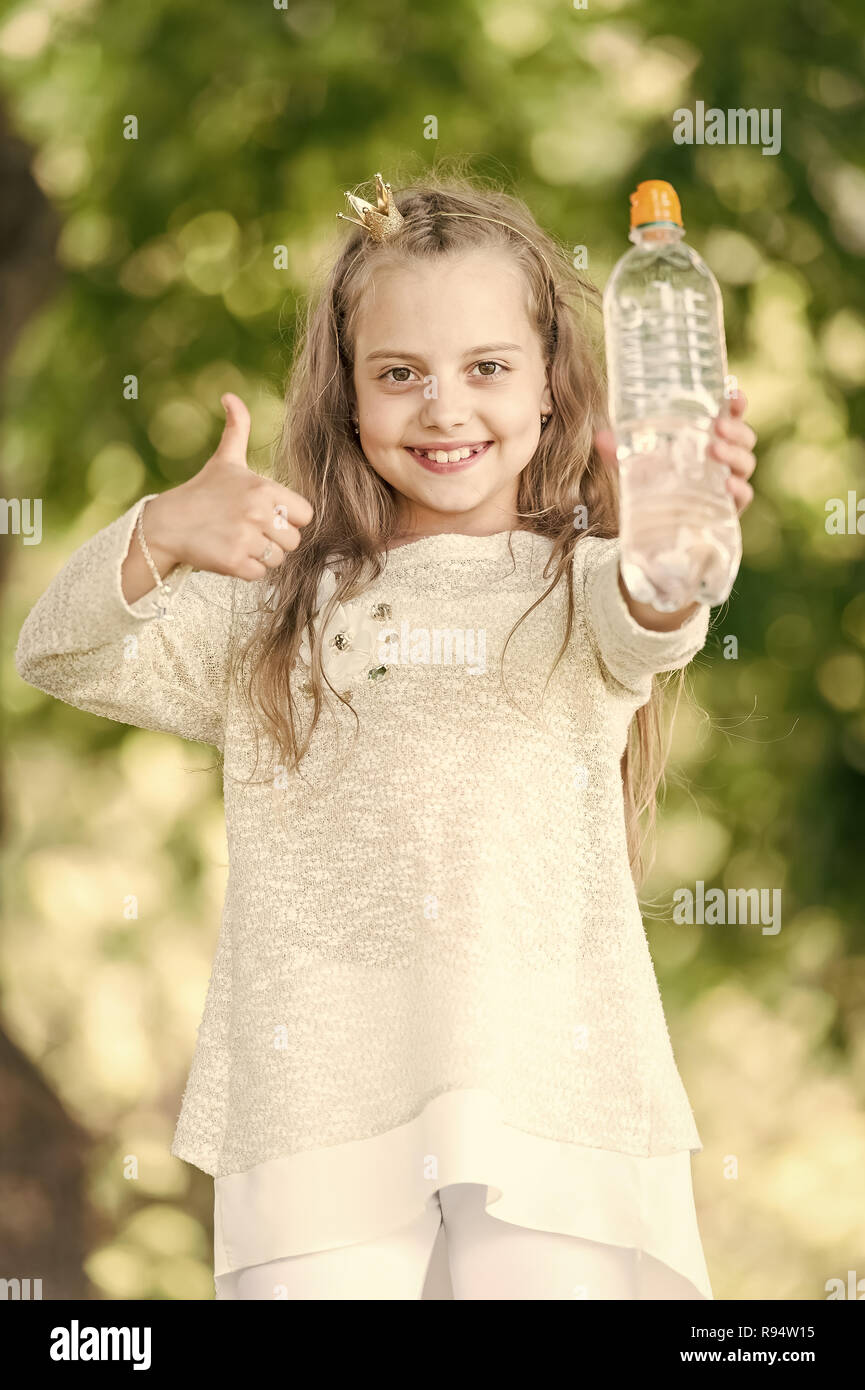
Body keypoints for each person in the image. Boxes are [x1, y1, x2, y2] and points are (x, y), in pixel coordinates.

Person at [14, 170, 758, 1300]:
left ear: (552, 392)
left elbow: (659, 605)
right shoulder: (274, 607)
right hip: (317, 1105)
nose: (443, 407)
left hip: (556, 1104)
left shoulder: (579, 587)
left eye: (487, 370)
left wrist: (675, 523)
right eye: (399, 373)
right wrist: (161, 532)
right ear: (347, 394)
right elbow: (58, 651)